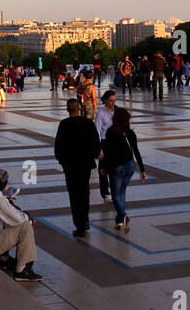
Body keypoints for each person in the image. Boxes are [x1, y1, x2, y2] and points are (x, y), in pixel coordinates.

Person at [55, 97, 101, 237]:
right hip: (85, 165)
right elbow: (96, 143)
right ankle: (85, 220)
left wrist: (61, 160)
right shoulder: (88, 123)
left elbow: (58, 146)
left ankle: (79, 225)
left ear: (68, 109)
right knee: (84, 192)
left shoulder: (64, 124)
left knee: (74, 195)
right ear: (79, 109)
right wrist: (94, 155)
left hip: (70, 166)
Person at [99, 107, 146, 233]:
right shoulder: (130, 133)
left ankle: (123, 215)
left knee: (115, 194)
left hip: (117, 166)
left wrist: (103, 166)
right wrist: (142, 169)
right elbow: (136, 151)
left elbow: (106, 151)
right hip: (130, 165)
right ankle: (120, 221)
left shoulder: (111, 132)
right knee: (122, 191)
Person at [94, 90, 117, 200]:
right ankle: (105, 192)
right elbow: (97, 131)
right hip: (104, 142)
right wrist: (99, 149)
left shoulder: (116, 112)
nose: (113, 103)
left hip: (115, 143)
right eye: (111, 101)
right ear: (105, 101)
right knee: (103, 169)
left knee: (114, 167)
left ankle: (115, 191)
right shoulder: (100, 113)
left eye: (114, 101)